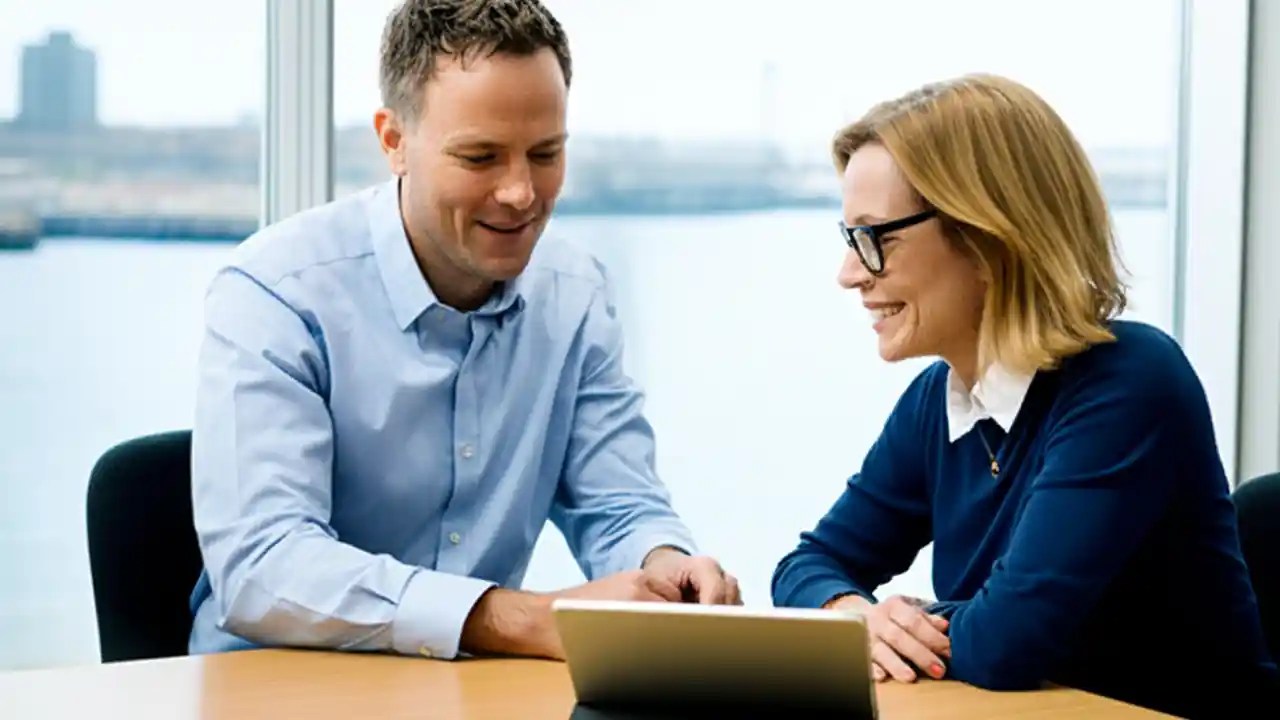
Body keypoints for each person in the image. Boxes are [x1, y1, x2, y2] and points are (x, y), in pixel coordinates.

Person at [188, 0, 739, 663]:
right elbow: (263, 566)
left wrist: (667, 566)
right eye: (480, 157)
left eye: (546, 154)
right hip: (274, 692)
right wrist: (517, 618)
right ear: (394, 141)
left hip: (469, 694)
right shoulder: (275, 291)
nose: (520, 193)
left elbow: (618, 503)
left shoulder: (577, 294)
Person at [770, 73, 1276, 718]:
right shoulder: (940, 400)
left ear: (987, 236)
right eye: (850, 240)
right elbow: (811, 562)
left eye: (877, 239)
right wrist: (851, 616)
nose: (849, 274)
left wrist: (910, 621)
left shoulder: (1130, 381)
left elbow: (1007, 642)